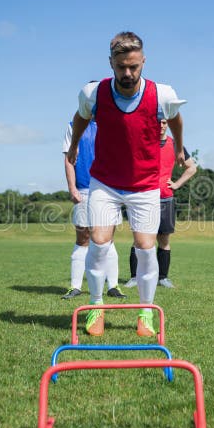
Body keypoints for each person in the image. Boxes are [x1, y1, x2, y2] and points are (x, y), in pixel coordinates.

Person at [66, 31, 186, 337]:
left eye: (133, 66)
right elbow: (81, 116)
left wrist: (181, 148)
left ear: (143, 61)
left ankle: (146, 311)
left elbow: (176, 119)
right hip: (104, 182)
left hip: (144, 185)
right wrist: (75, 144)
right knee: (99, 242)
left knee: (146, 249)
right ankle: (95, 307)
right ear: (111, 64)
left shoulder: (162, 95)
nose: (128, 73)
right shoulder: (94, 93)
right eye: (121, 67)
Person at [125, 118, 197, 289]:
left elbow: (191, 168)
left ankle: (163, 278)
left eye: (164, 122)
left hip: (165, 198)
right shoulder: (143, 142)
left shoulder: (174, 145)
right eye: (158, 122)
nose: (161, 125)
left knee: (163, 239)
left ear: (168, 125)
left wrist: (177, 184)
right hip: (143, 198)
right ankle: (135, 277)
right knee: (139, 240)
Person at [61, 115, 125, 300]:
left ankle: (113, 286)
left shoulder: (112, 122)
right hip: (83, 188)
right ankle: (75, 287)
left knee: (108, 239)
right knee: (83, 238)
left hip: (108, 190)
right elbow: (68, 159)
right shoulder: (74, 125)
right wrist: (72, 187)